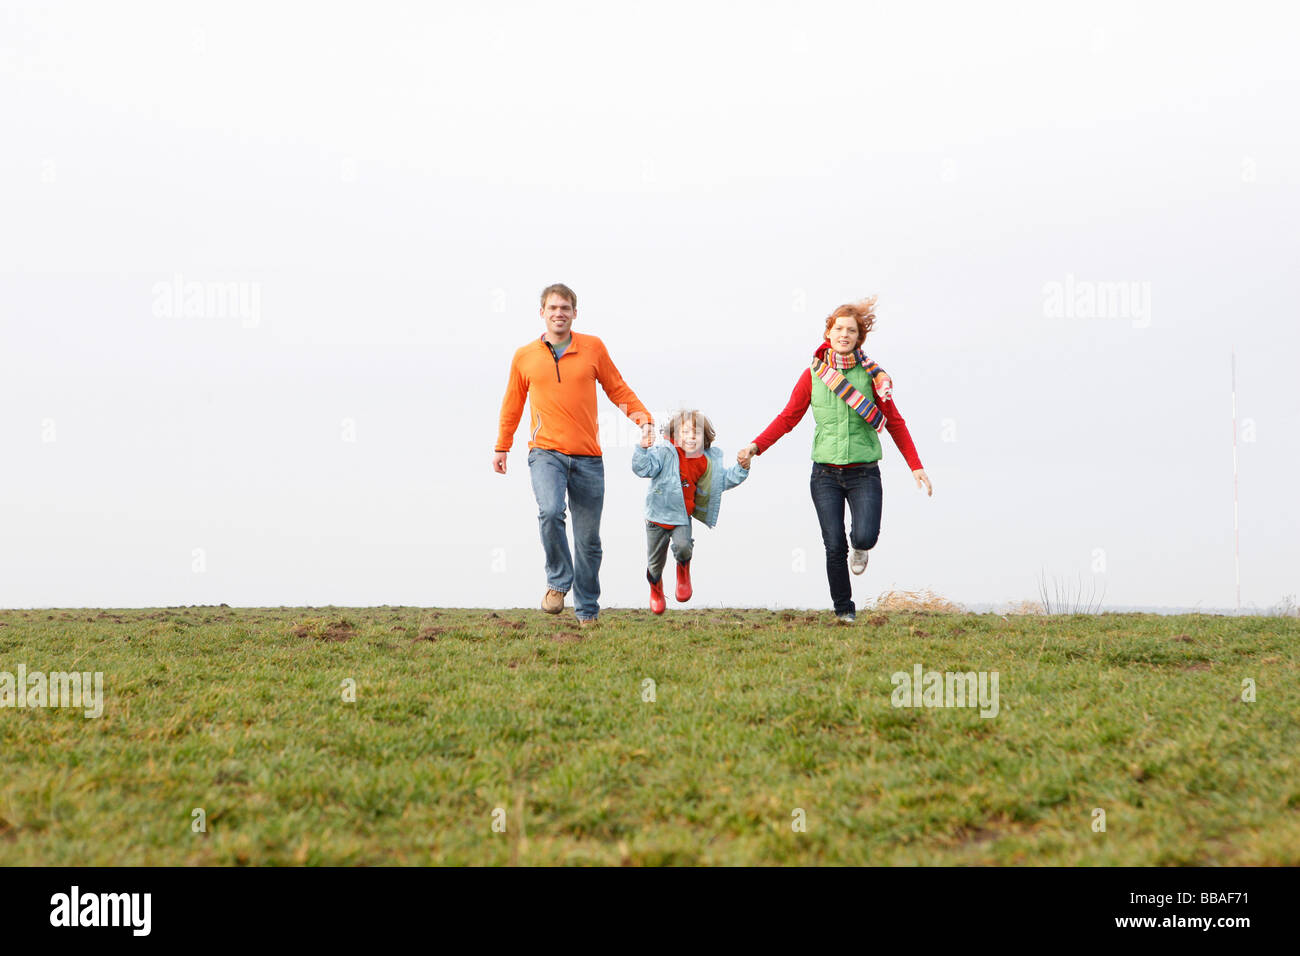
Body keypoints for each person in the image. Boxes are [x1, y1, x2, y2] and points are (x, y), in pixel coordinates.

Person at [737, 298, 932, 623]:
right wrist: (756, 447)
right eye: (838, 328)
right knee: (833, 545)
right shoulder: (813, 375)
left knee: (864, 537)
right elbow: (788, 417)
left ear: (859, 338)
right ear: (828, 333)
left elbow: (895, 422)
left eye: (851, 330)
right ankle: (844, 610)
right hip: (824, 474)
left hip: (864, 473)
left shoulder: (874, 378)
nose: (844, 334)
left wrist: (916, 465)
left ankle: (861, 546)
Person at [493, 283, 654, 625]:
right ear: (542, 313)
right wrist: (502, 446)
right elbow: (512, 404)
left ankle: (587, 611)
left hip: (588, 458)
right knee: (550, 511)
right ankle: (557, 581)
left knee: (588, 541)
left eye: (565, 308)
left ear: (574, 313)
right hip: (545, 453)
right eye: (552, 308)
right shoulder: (525, 356)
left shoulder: (593, 348)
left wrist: (642, 419)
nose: (559, 313)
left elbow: (616, 387)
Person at [632, 409, 750, 614]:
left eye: (696, 433)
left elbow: (722, 481)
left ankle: (683, 570)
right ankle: (656, 587)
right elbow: (643, 469)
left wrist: (742, 468)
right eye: (685, 432)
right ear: (676, 435)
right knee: (655, 563)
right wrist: (642, 449)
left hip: (681, 516)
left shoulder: (705, 463)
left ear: (705, 438)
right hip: (656, 517)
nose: (691, 437)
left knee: (684, 546)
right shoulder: (664, 452)